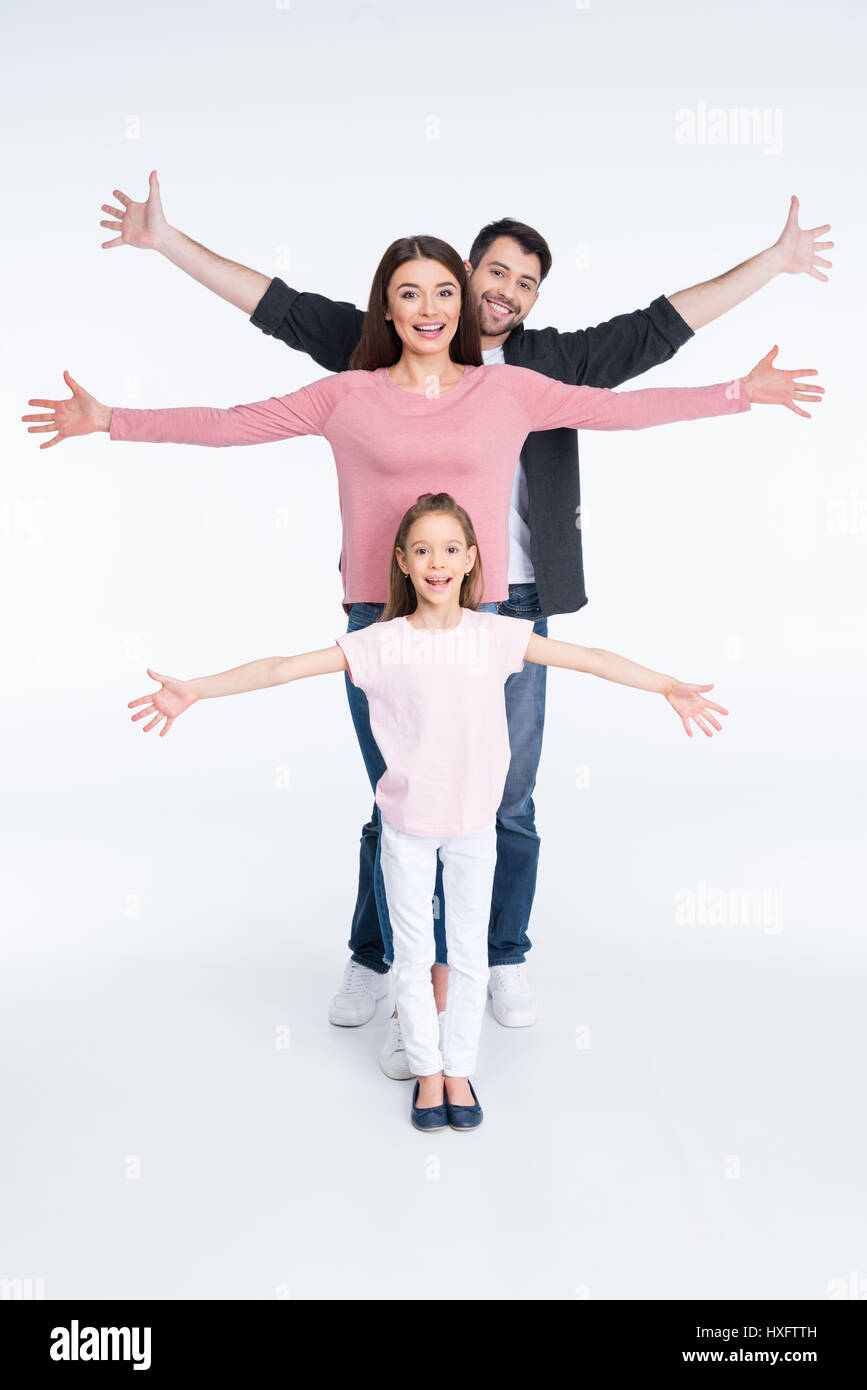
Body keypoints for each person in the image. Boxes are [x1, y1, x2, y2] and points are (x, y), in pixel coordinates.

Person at [23, 234, 822, 1084]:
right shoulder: (346, 395)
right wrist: (109, 420)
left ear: (463, 300)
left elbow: (619, 408)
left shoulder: (509, 387)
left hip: (491, 617)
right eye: (411, 294)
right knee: (402, 808)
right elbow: (229, 427)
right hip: (383, 622)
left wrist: (743, 392)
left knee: (494, 803)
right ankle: (393, 971)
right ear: (387, 307)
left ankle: (479, 969)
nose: (432, 309)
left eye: (444, 292)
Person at [124, 492, 730, 1132]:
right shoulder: (379, 643)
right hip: (407, 830)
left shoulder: (496, 635)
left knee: (468, 954)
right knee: (413, 957)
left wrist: (667, 685)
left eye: (449, 549)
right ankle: (427, 1070)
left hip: (473, 825)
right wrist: (196, 690)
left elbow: (591, 659)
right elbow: (281, 668)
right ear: (403, 563)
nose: (436, 562)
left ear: (472, 560)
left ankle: (459, 1066)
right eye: (422, 550)